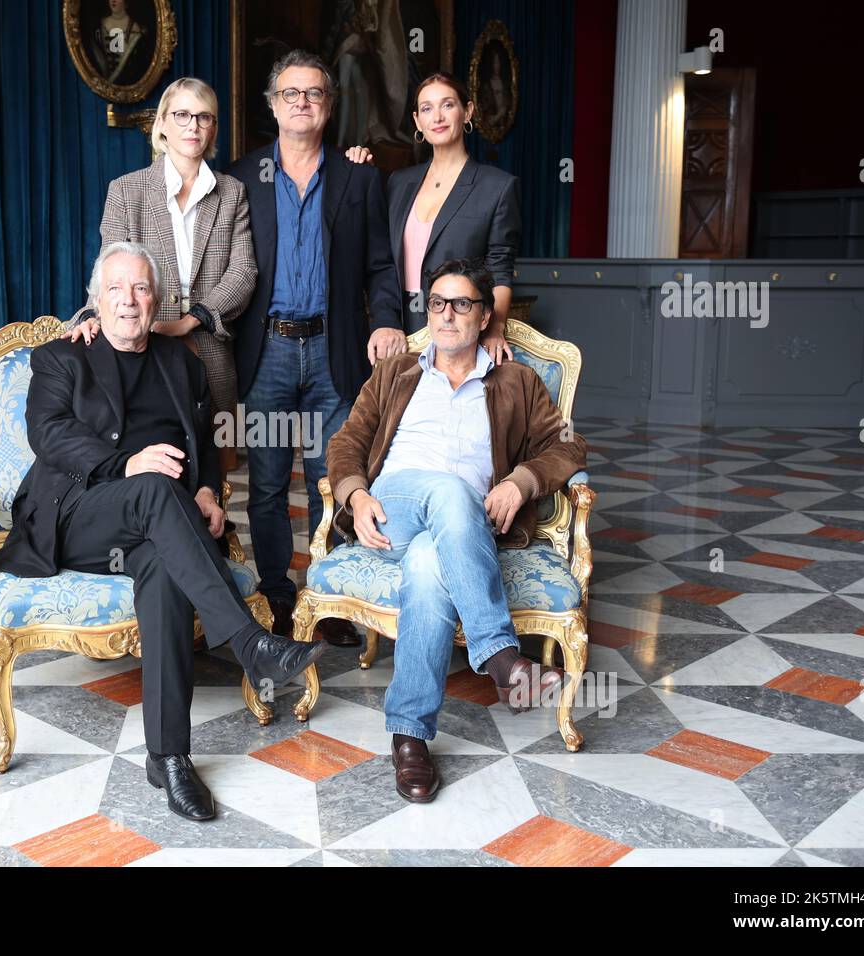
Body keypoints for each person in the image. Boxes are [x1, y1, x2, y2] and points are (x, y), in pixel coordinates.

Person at [0, 241, 327, 822]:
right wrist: (128, 464)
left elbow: (198, 445)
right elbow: (49, 435)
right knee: (149, 489)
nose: (129, 300)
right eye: (116, 289)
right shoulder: (61, 357)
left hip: (153, 522)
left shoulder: (181, 362)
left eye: (141, 289)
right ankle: (249, 644)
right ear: (94, 300)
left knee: (165, 569)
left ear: (158, 300)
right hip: (76, 515)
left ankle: (169, 757)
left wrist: (200, 489)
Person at [326, 257, 586, 803]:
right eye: (437, 303)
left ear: (484, 313)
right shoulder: (394, 373)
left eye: (461, 304)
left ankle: (409, 738)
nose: (446, 315)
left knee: (426, 564)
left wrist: (520, 482)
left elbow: (567, 445)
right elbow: (346, 441)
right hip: (392, 507)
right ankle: (500, 657)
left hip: (464, 525)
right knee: (444, 489)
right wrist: (354, 493)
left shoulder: (516, 380)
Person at [226, 49, 406, 647]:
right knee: (271, 483)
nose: (302, 102)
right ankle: (279, 595)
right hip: (268, 352)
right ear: (273, 105)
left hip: (335, 352)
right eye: (290, 93)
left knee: (337, 476)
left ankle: (331, 596)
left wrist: (386, 320)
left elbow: (382, 265)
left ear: (330, 106)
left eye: (314, 94)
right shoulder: (242, 177)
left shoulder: (359, 177)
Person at [68, 77, 256, 478]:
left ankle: (210, 542)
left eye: (204, 117)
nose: (193, 126)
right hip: (141, 351)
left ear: (214, 128)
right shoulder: (127, 191)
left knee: (215, 473)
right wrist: (90, 314)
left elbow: (243, 271)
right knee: (151, 461)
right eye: (182, 115)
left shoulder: (232, 192)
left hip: (209, 349)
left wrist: (190, 321)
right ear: (163, 126)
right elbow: (109, 267)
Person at [347, 72, 521, 360]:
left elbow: (500, 268)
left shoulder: (498, 186)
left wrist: (495, 327)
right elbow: (382, 259)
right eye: (427, 108)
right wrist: (357, 167)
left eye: (448, 105)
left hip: (459, 326)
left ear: (468, 112)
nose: (437, 116)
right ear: (417, 121)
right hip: (397, 329)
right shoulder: (398, 182)